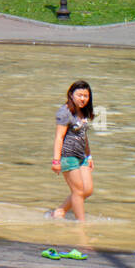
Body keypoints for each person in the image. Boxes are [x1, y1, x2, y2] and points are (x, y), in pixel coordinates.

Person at [50, 81, 95, 221]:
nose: (83, 99)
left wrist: (89, 155)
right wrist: (56, 161)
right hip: (68, 156)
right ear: (71, 95)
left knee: (87, 190)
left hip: (81, 155)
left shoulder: (84, 111)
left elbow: (83, 135)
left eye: (86, 96)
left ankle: (60, 211)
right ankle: (81, 225)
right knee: (78, 191)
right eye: (79, 95)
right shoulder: (65, 112)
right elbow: (59, 137)